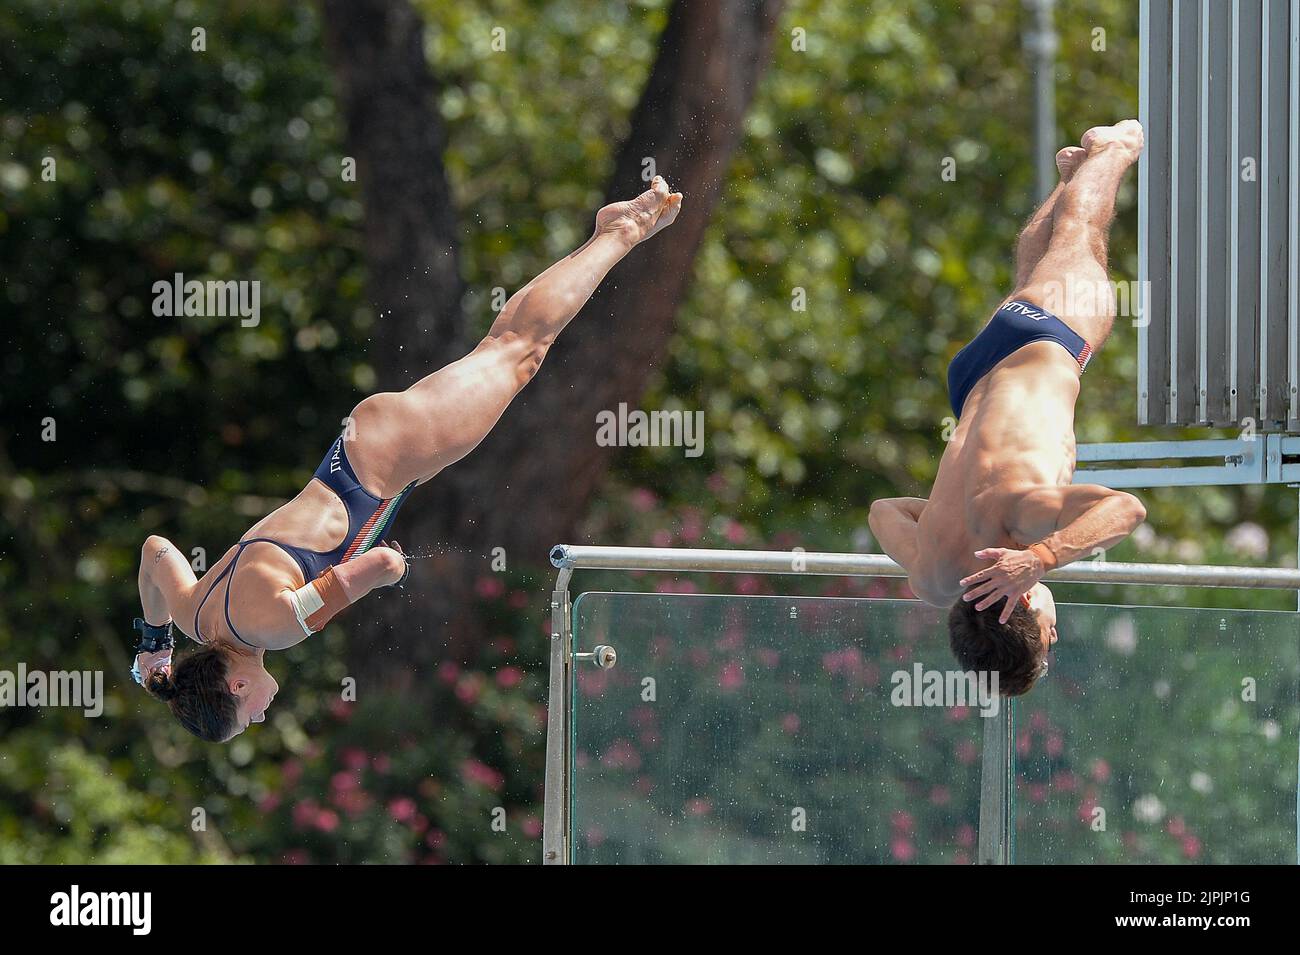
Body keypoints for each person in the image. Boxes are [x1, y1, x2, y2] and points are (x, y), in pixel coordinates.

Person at [133, 178, 684, 741]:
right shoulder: (193, 613)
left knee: (519, 350)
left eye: (248, 720)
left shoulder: (274, 629)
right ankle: (611, 234)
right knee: (509, 349)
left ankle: (622, 229)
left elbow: (374, 569)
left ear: (237, 688)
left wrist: (392, 572)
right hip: (361, 453)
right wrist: (154, 644)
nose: (262, 718)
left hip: (386, 461)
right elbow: (155, 553)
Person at [868, 122, 1149, 695]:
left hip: (1049, 345)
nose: (1057, 629)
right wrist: (955, 503)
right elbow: (880, 510)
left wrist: (1041, 556)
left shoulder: (1027, 518)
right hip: (974, 376)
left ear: (1021, 601)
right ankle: (1072, 175)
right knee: (1034, 269)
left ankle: (1115, 146)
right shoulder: (933, 576)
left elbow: (1127, 510)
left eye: (1048, 634)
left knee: (1082, 238)